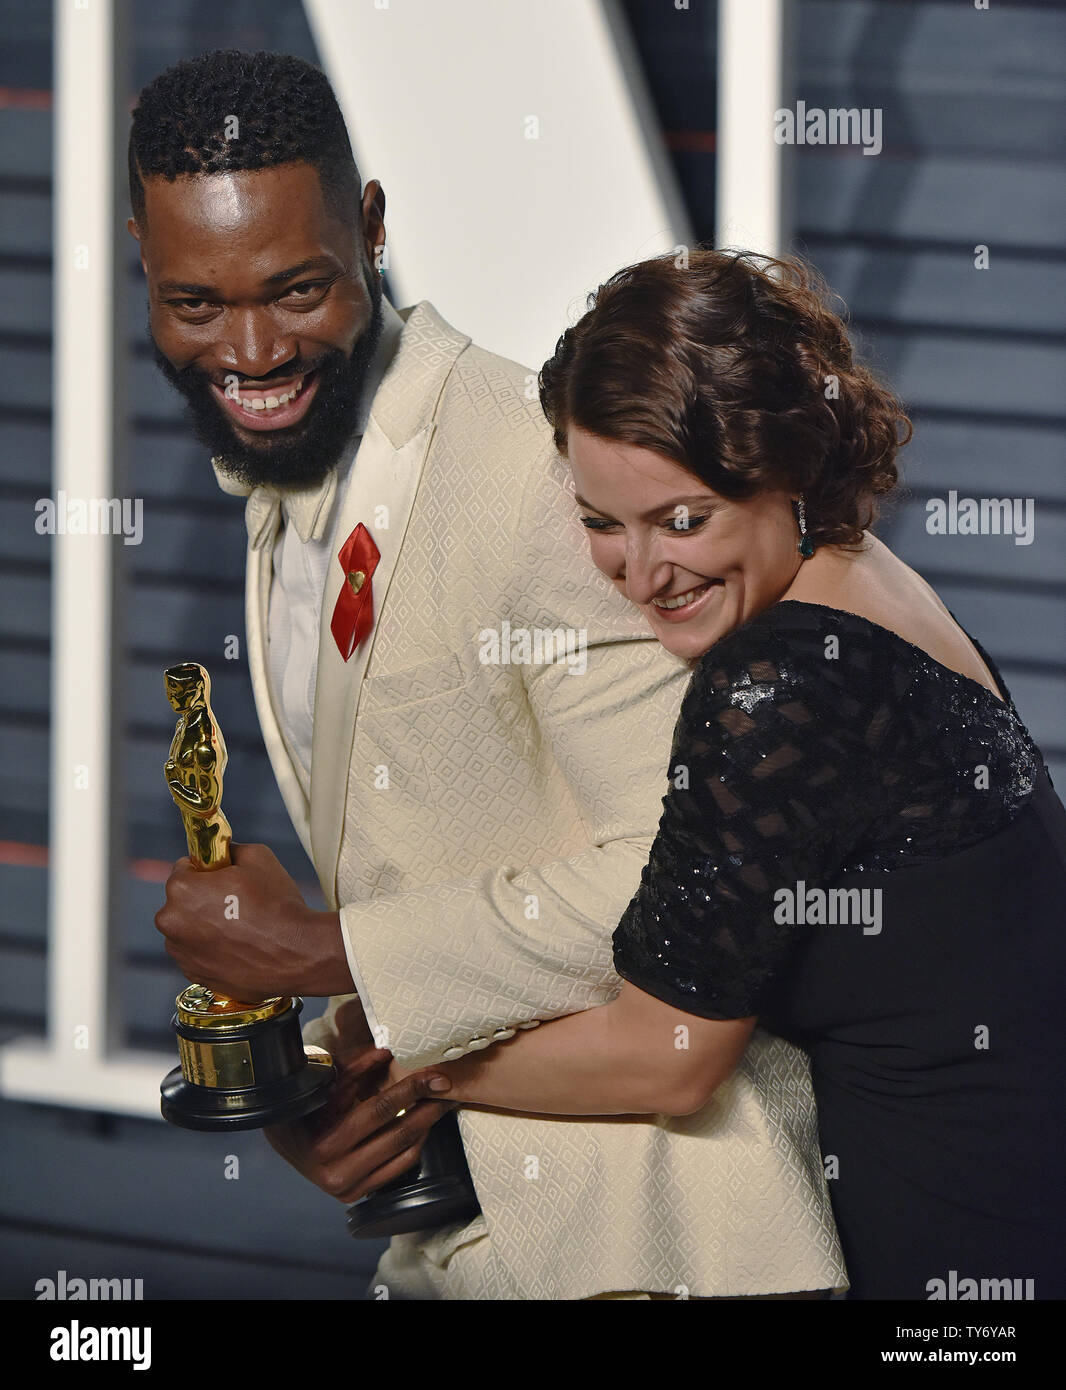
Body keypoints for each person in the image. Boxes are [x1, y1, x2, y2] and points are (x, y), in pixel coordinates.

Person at [141, 52, 844, 1300]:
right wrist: (331, 1079)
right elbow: (447, 869)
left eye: (296, 289)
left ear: (371, 227)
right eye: (197, 305)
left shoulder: (535, 471)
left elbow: (671, 869)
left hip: (661, 1238)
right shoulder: (289, 474)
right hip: (483, 1237)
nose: (249, 350)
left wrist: (325, 953)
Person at [382, 247, 1066, 1300]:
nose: (642, 575)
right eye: (602, 524)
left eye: (682, 519)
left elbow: (669, 1054)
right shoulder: (868, 580)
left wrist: (421, 1069)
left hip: (946, 1258)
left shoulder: (775, 677)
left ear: (783, 468)